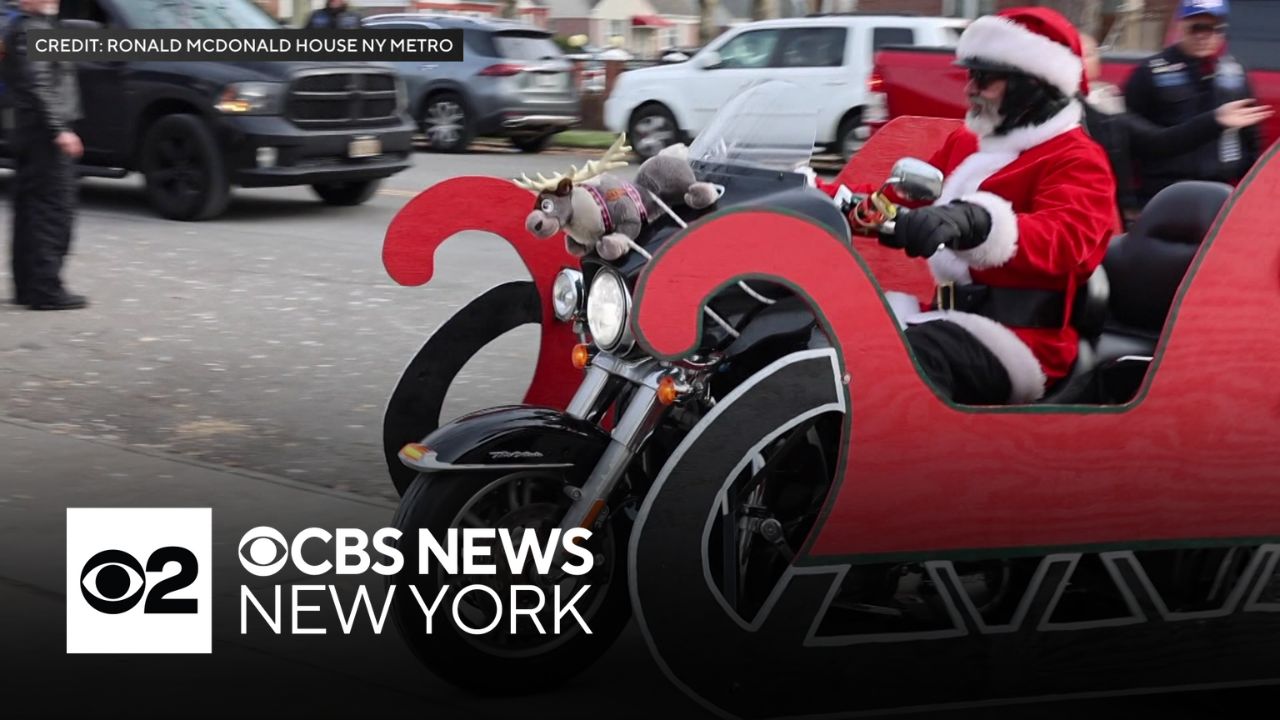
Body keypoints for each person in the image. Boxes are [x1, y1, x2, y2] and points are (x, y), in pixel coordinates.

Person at [818, 7, 1118, 406]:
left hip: (1021, 343)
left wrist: (977, 221)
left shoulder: (1077, 157)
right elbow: (896, 196)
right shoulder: (968, 143)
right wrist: (815, 196)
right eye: (970, 75)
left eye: (984, 78)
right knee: (834, 335)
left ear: (1032, 85)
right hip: (947, 318)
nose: (970, 89)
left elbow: (1068, 241)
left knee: (902, 365)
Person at [1080, 32, 1271, 222]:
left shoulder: (1105, 102)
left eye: (1090, 53)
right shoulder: (1068, 109)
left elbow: (1157, 142)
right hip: (1079, 204)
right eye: (1078, 53)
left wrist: (1215, 120)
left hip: (1107, 210)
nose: (1084, 60)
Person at [1123, 0, 1260, 205]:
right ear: (1181, 26)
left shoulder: (1234, 72)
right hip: (1165, 190)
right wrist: (1128, 199)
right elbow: (1129, 140)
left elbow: (1251, 137)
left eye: (1212, 29)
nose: (1203, 36)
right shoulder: (1151, 72)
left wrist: (1250, 187)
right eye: (1196, 28)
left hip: (1221, 188)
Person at [2, 0, 86, 310]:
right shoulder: (32, 31)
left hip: (30, 131)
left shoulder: (24, 28)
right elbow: (38, 84)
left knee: (30, 210)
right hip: (43, 135)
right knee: (52, 212)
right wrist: (59, 129)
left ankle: (29, 287)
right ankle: (45, 289)